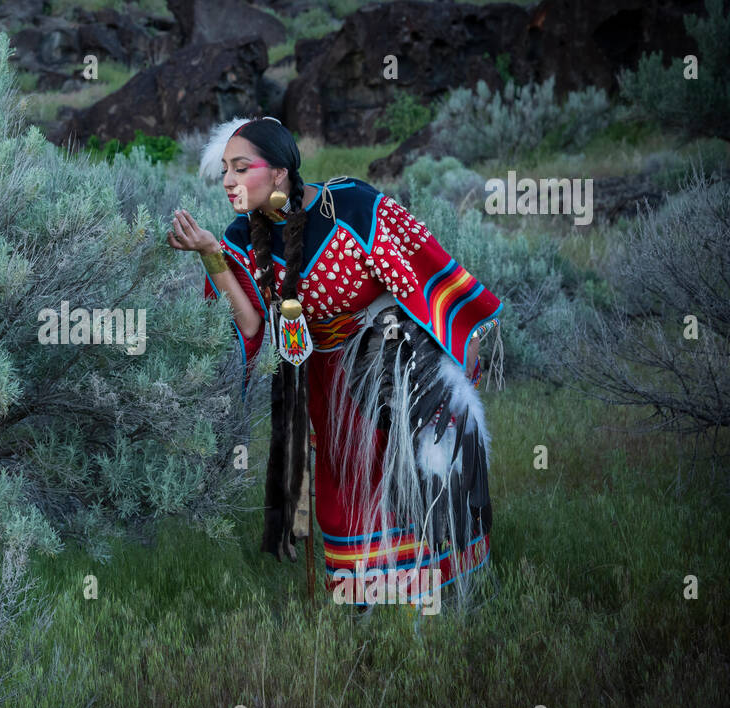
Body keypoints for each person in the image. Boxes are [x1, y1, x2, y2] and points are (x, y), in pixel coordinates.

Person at [166, 116, 503, 609]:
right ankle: (368, 602)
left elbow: (417, 271)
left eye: (241, 168)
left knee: (412, 481)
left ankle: (434, 598)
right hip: (323, 384)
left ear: (278, 172)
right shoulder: (239, 237)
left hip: (388, 370)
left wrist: (449, 355)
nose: (228, 182)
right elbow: (252, 327)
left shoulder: (350, 206)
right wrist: (211, 254)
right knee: (343, 499)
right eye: (224, 171)